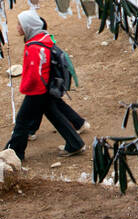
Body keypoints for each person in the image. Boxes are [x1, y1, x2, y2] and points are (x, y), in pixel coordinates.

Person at [6, 10, 85, 161]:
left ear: (28, 27)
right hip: (45, 89)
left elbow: (35, 73)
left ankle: (15, 153)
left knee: (22, 122)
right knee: (54, 115)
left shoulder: (35, 48)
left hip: (37, 91)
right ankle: (75, 142)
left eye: (19, 24)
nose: (17, 27)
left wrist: (26, 88)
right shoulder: (43, 40)